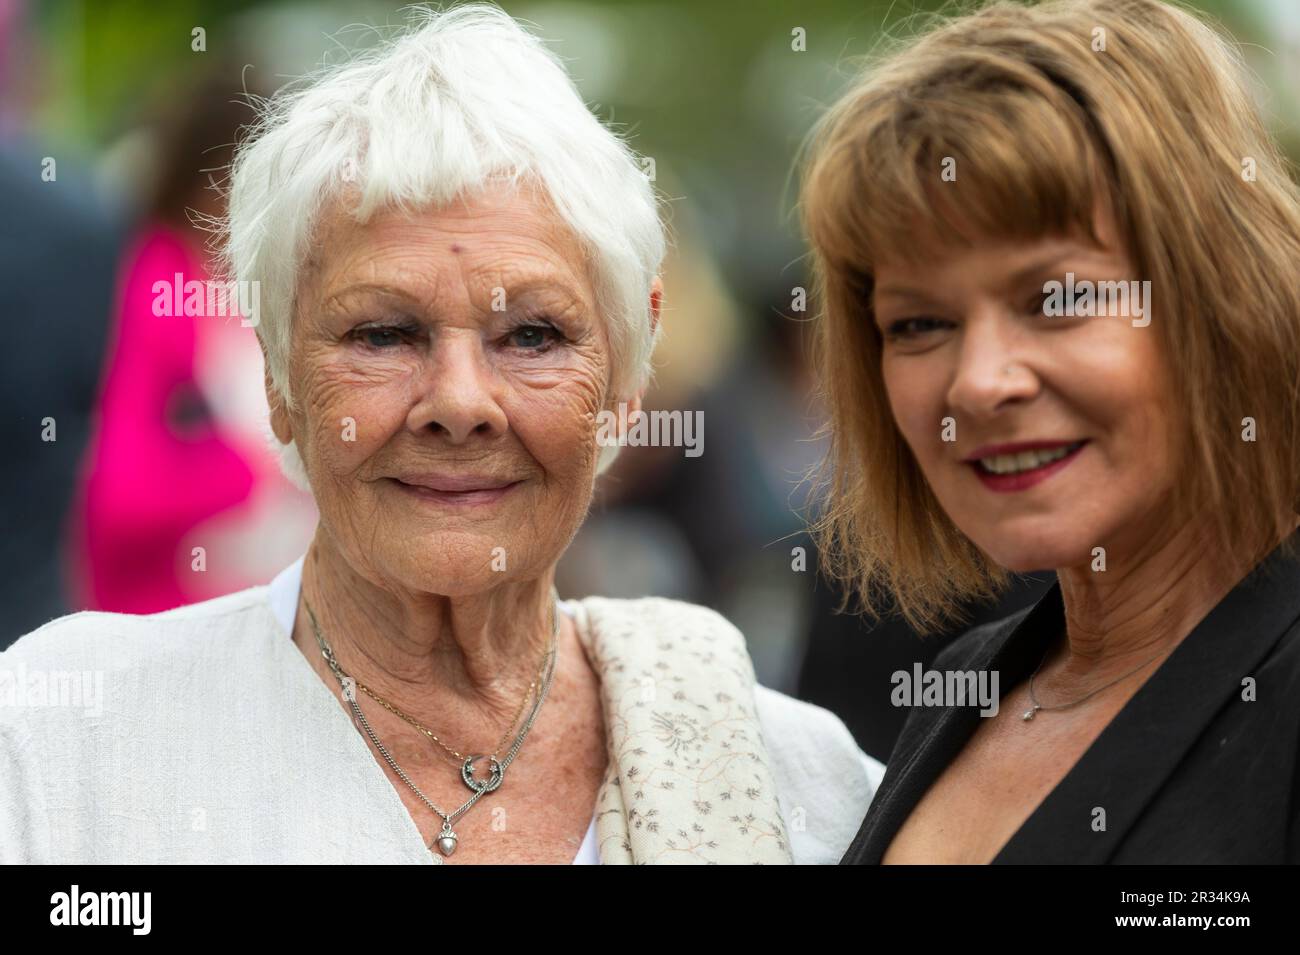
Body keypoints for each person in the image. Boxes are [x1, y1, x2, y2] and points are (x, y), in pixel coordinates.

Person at [0, 4, 880, 864]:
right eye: (382, 334)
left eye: (533, 335)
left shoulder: (805, 788)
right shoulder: (58, 745)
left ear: (629, 371)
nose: (460, 402)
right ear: (274, 371)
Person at [800, 0, 1300, 863]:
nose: (980, 382)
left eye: (1057, 298)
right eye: (918, 323)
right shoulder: (968, 684)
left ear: (1225, 302)